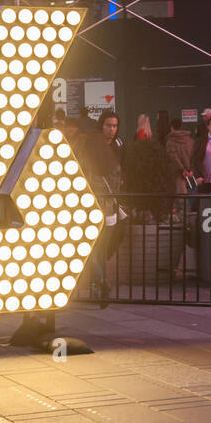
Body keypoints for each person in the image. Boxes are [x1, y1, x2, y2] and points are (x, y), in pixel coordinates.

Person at [78, 111, 125, 299]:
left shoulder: (119, 145)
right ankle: (99, 282)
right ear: (102, 126)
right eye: (108, 125)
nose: (112, 130)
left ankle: (99, 282)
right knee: (95, 245)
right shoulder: (92, 145)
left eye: (114, 126)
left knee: (103, 246)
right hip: (96, 200)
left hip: (111, 201)